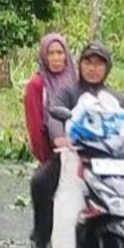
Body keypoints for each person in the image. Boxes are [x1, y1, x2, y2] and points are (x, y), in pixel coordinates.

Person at [30, 42, 124, 248]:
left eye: (99, 63)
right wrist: (59, 137)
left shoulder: (117, 98)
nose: (93, 68)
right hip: (76, 159)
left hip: (113, 161)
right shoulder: (68, 92)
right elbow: (54, 116)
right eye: (88, 62)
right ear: (80, 65)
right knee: (40, 182)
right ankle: (42, 240)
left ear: (107, 67)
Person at [23, 32, 78, 165]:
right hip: (52, 154)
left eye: (60, 53)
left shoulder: (76, 79)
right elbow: (35, 128)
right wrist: (46, 159)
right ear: (43, 57)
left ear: (66, 55)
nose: (56, 58)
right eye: (50, 53)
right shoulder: (36, 85)